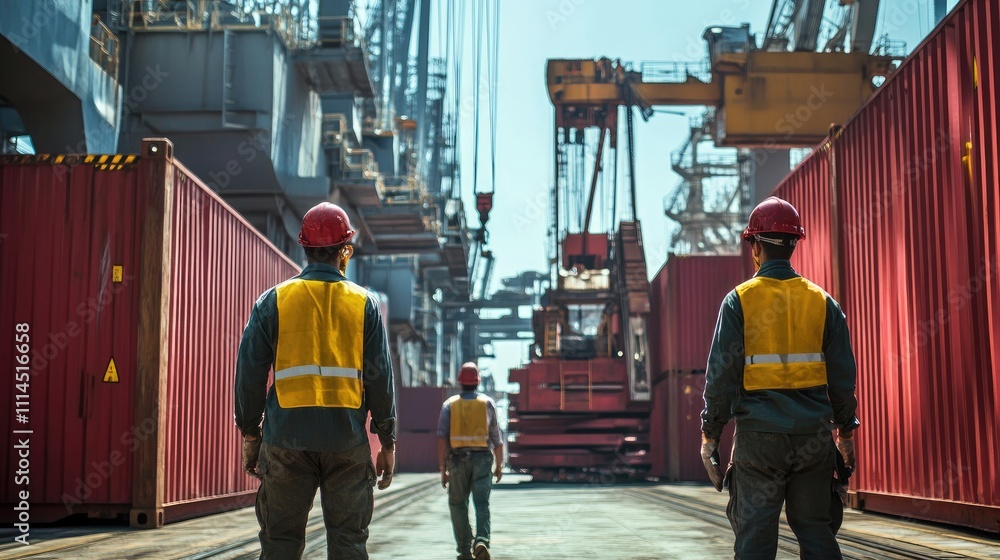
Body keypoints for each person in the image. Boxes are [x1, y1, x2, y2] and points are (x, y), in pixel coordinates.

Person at [234, 202, 397, 559]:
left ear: (304, 247)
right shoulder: (365, 304)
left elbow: (249, 374)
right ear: (345, 251)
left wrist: (250, 433)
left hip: (286, 440)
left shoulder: (272, 301)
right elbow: (380, 379)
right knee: (348, 544)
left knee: (281, 543)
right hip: (346, 441)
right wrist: (387, 440)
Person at [700, 196, 859, 560]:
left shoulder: (738, 300)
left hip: (759, 440)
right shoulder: (823, 302)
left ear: (755, 245)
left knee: (755, 536)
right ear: (793, 245)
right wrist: (845, 433)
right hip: (814, 438)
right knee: (817, 533)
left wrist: (710, 436)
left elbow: (721, 377)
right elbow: (842, 379)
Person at [437, 362, 504, 560]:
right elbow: (496, 439)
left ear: (460, 382)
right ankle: (482, 540)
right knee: (482, 504)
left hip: (457, 460)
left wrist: (443, 468)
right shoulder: (487, 403)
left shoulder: (450, 405)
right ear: (477, 382)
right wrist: (499, 465)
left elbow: (442, 438)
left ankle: (465, 550)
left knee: (458, 505)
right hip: (482, 459)